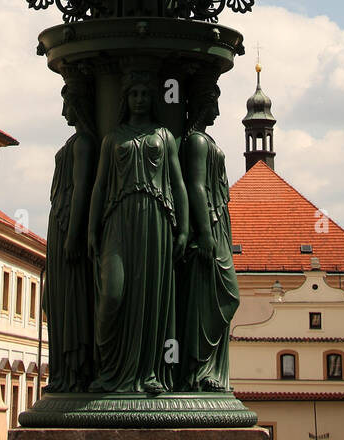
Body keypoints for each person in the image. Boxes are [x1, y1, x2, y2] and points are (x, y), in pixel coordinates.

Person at [88, 69, 188, 393]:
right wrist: (91, 229)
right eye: (134, 94)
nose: (140, 100)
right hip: (118, 220)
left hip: (156, 222)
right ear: (126, 99)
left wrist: (184, 229)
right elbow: (100, 185)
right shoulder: (113, 139)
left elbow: (179, 184)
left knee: (152, 299)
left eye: (146, 94)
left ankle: (150, 373)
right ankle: (110, 372)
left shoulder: (164, 137)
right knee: (112, 295)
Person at [179, 83, 239, 391]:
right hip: (209, 227)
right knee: (218, 296)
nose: (217, 109)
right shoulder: (198, 141)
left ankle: (210, 371)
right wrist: (203, 232)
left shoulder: (204, 139)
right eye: (213, 102)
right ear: (203, 104)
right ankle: (199, 371)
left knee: (221, 296)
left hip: (218, 223)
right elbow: (197, 187)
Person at [42, 78, 96, 392]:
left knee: (71, 298)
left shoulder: (85, 144)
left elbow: (82, 192)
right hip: (58, 223)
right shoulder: (73, 145)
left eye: (69, 102)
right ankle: (63, 372)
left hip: (68, 228)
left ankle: (75, 371)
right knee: (56, 300)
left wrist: (75, 234)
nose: (65, 109)